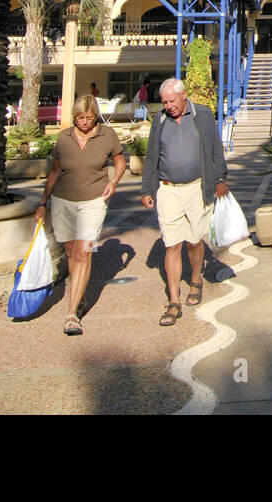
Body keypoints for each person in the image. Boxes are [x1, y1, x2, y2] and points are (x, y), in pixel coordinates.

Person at [140, 78, 229, 326]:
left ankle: (196, 278)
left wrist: (221, 178)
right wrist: (147, 188)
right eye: (165, 102)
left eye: (172, 101)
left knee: (193, 241)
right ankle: (174, 302)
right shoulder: (159, 120)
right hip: (168, 190)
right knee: (172, 244)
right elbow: (151, 157)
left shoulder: (201, 115)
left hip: (196, 189)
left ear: (184, 96)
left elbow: (215, 149)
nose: (168, 106)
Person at [35, 95, 126, 336]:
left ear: (95, 115)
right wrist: (43, 202)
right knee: (70, 254)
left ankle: (72, 314)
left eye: (88, 117)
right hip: (64, 200)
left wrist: (114, 182)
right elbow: (55, 172)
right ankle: (80, 293)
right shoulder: (64, 137)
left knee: (83, 252)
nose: (84, 122)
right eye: (79, 118)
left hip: (94, 201)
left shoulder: (107, 135)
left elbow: (120, 161)